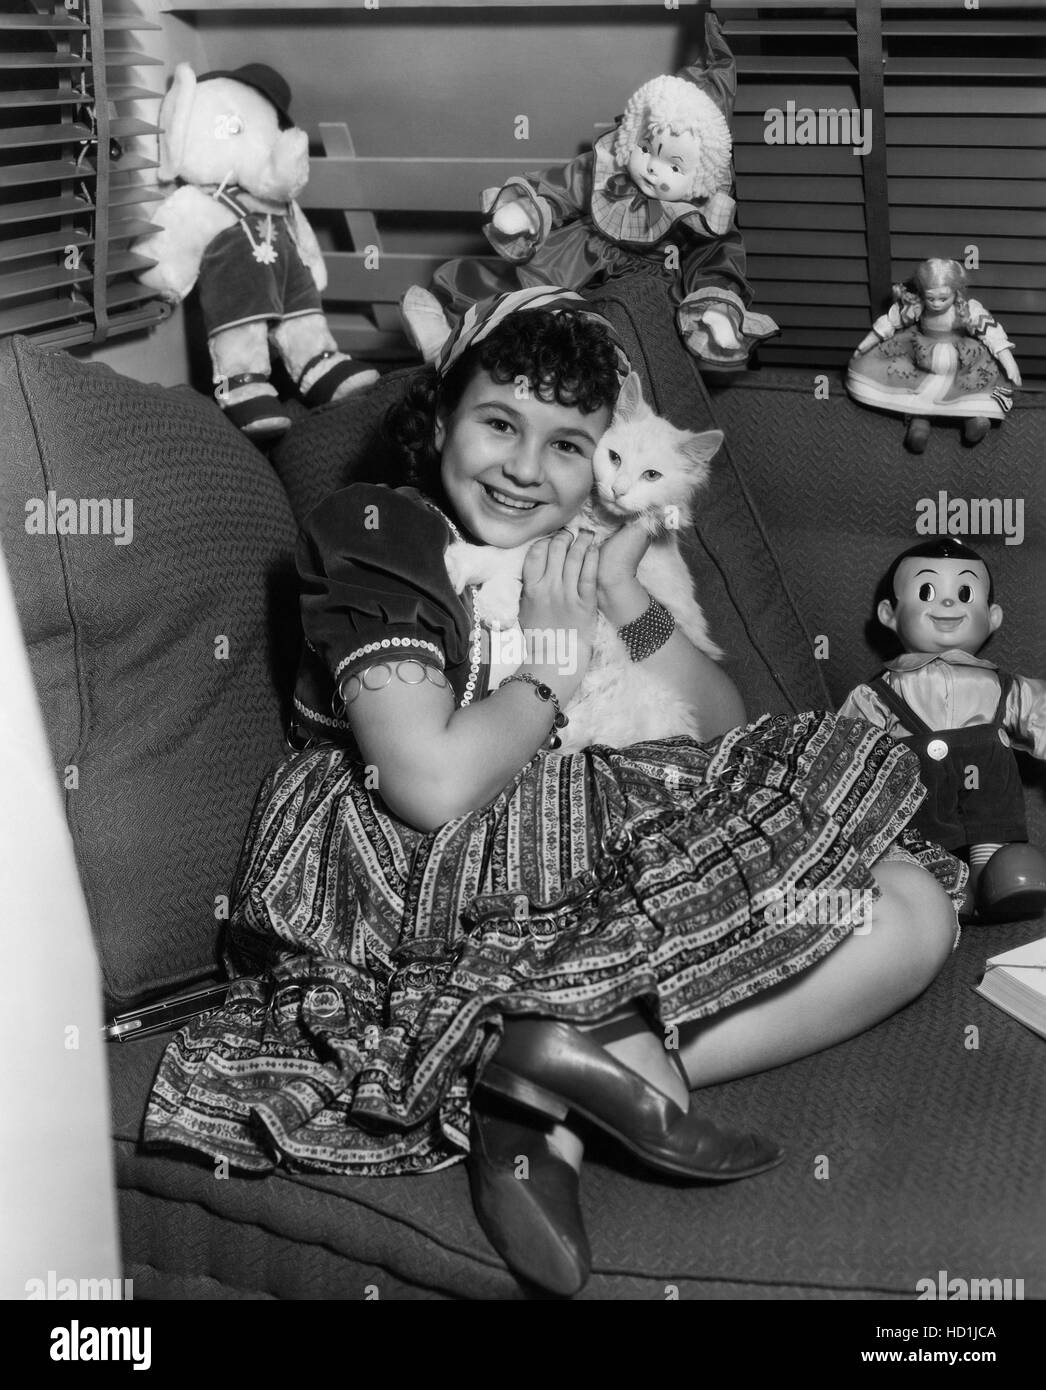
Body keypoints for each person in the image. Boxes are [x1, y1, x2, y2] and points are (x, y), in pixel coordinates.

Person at [145, 286, 963, 1298]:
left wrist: (622, 598)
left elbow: (721, 728)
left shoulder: (580, 558)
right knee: (867, 907)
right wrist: (554, 660)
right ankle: (560, 1072)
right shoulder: (378, 528)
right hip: (400, 862)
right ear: (441, 418)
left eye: (568, 444)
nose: (528, 469)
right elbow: (431, 782)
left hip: (573, 828)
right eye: (499, 424)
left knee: (912, 915)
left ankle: (542, 1080)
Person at [401, 10, 777, 374]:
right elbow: (566, 186)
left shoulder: (700, 213)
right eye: (646, 149)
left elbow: (715, 259)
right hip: (578, 254)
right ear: (633, 133)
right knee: (516, 288)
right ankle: (450, 331)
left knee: (622, 339)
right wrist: (530, 210)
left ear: (701, 173)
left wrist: (714, 308)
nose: (651, 168)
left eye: (674, 166)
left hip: (652, 281)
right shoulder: (608, 166)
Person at [838, 538, 1046, 923]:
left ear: (993, 615)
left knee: (991, 778)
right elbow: (846, 750)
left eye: (965, 593)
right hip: (916, 807)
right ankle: (940, 882)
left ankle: (992, 871)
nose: (948, 604)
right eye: (927, 591)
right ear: (890, 613)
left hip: (989, 804)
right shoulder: (877, 694)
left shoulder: (1003, 686)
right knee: (908, 833)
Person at [847, 257, 1021, 454]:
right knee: (915, 387)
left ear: (955, 291)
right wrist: (869, 341)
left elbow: (990, 331)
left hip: (960, 357)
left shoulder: (968, 308)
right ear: (922, 293)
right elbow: (891, 322)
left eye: (943, 298)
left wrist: (1008, 359)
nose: (936, 304)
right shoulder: (917, 306)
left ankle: (974, 419)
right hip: (922, 354)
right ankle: (919, 424)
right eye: (931, 298)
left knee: (971, 388)